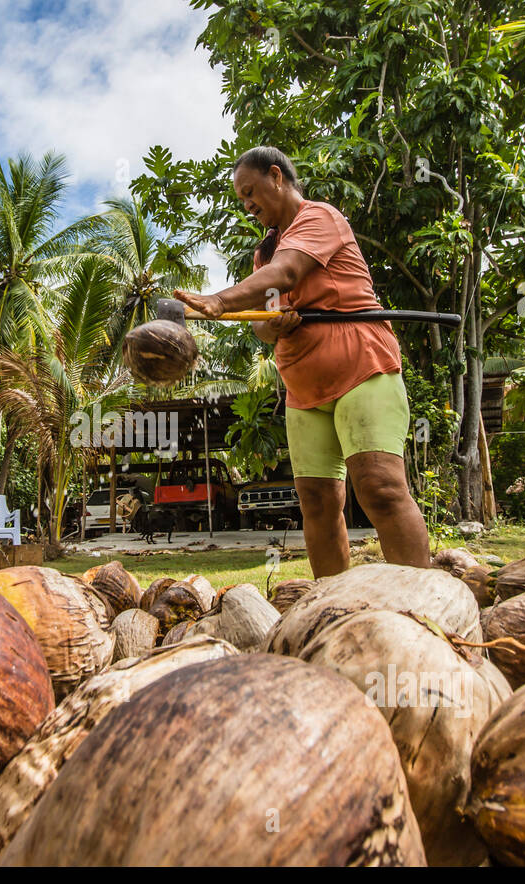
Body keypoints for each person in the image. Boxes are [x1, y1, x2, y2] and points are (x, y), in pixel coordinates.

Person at [174, 145, 430, 577]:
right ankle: (332, 603)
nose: (247, 204)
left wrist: (218, 299)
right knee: (316, 501)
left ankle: (423, 601)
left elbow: (287, 273)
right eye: (241, 199)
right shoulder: (263, 254)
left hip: (361, 370)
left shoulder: (319, 218)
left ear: (277, 176)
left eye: (250, 191)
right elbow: (262, 318)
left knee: (380, 488)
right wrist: (271, 328)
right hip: (303, 392)